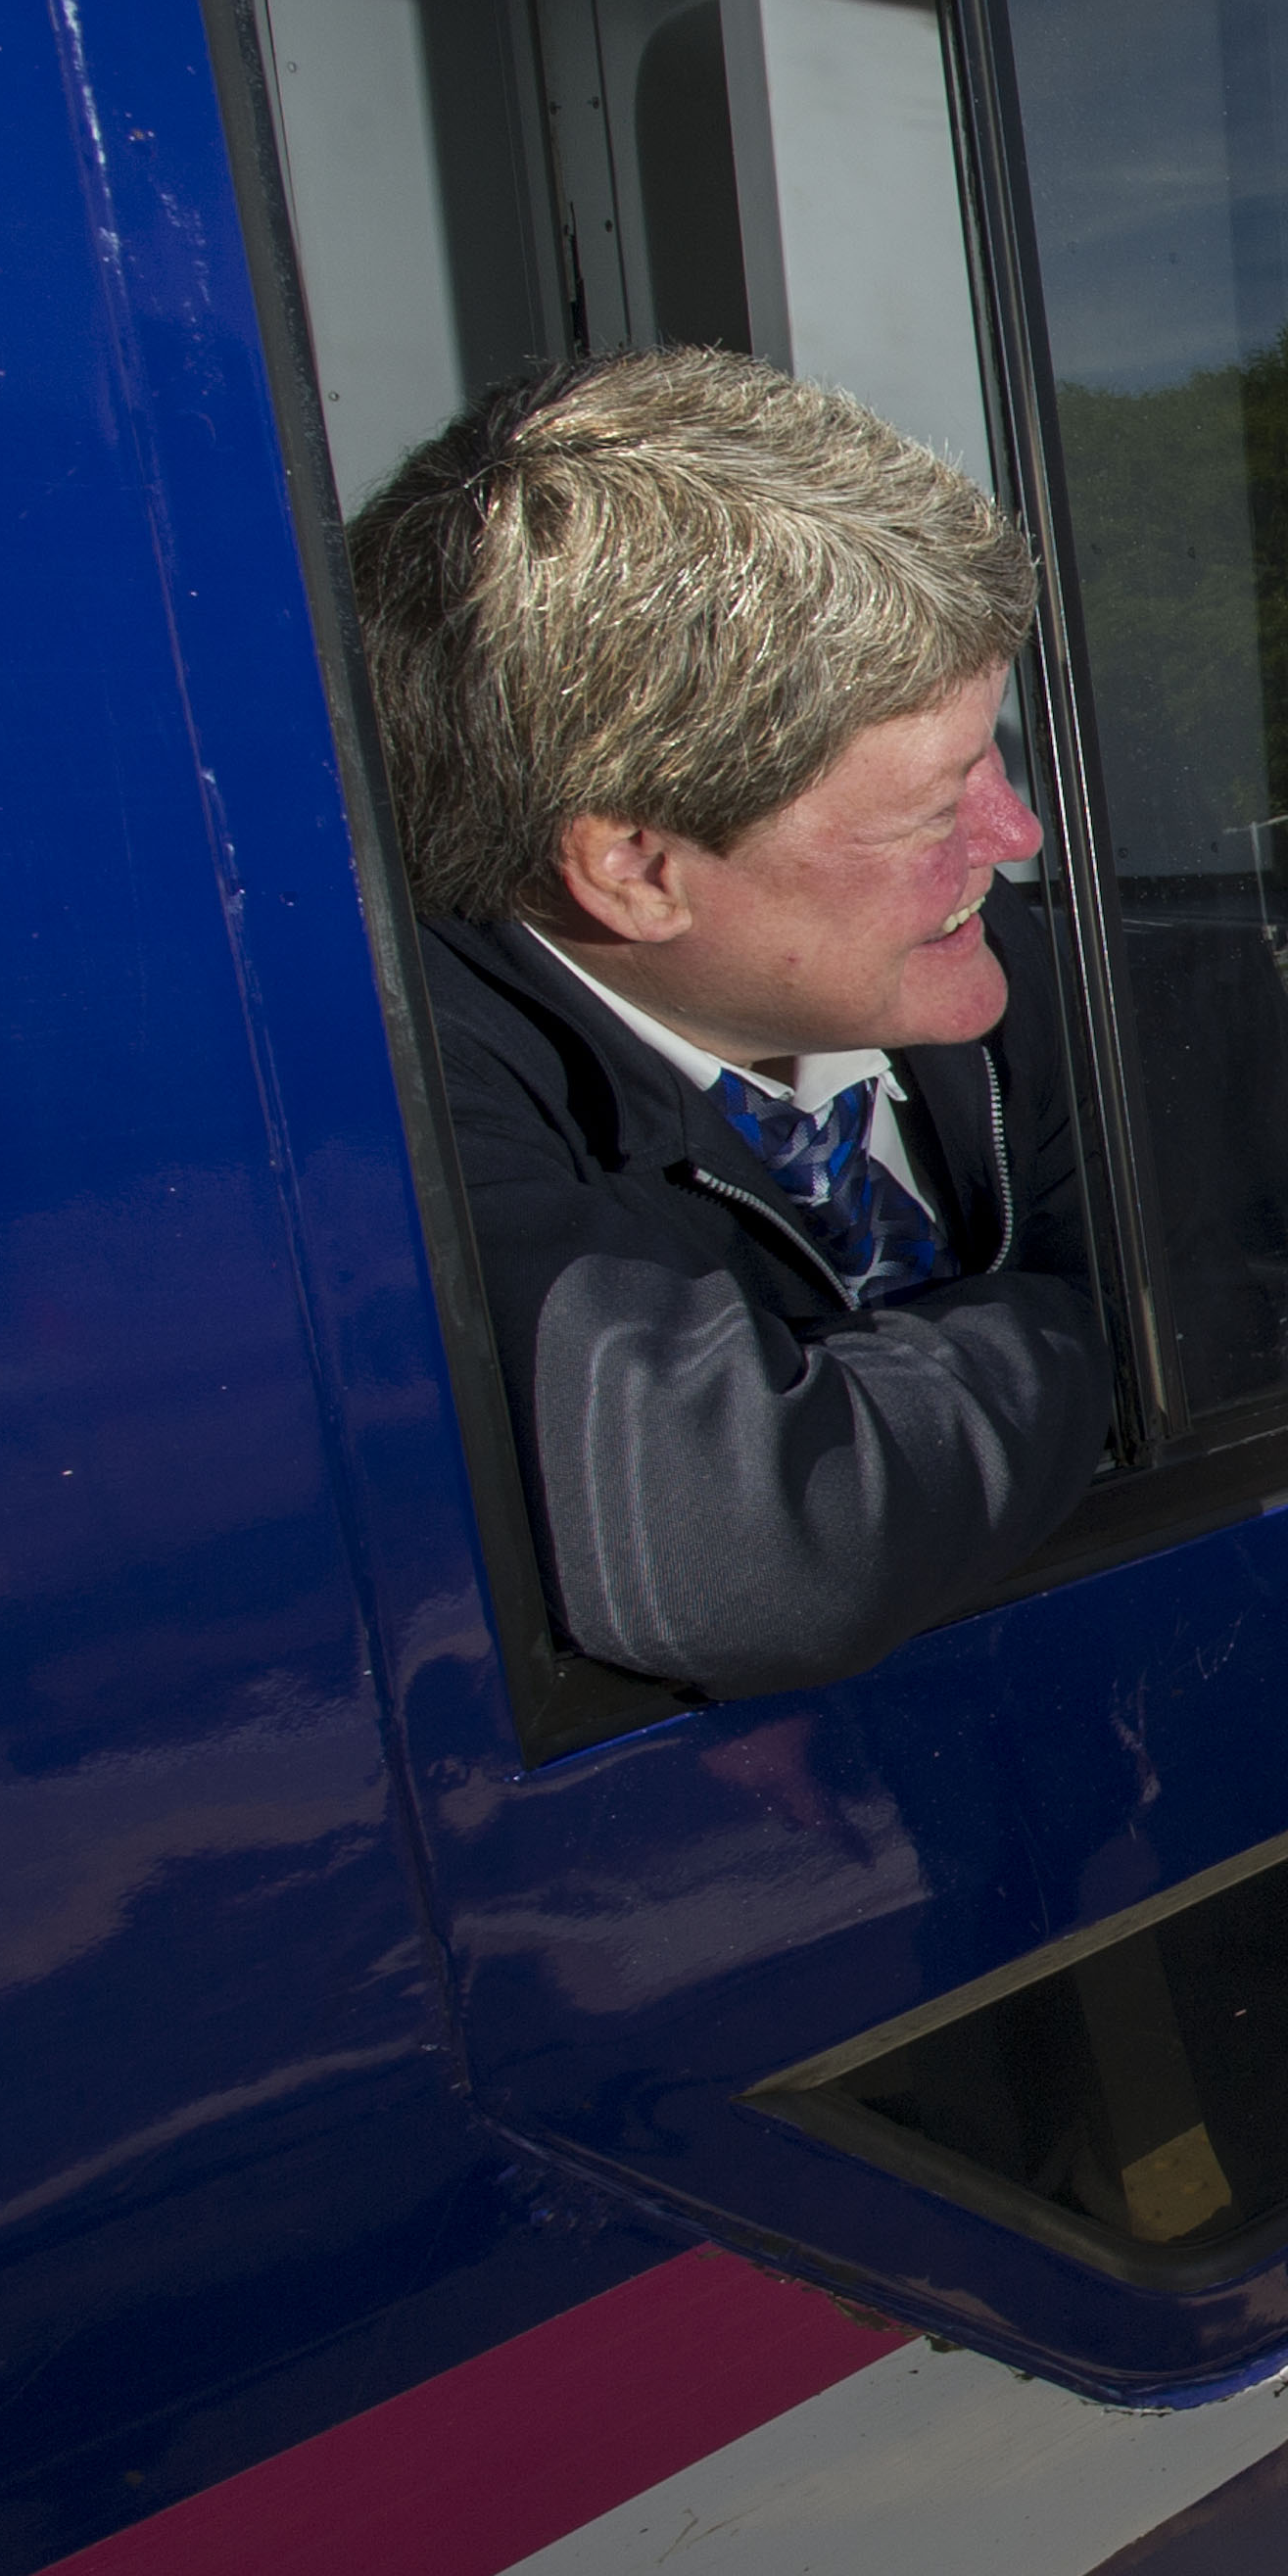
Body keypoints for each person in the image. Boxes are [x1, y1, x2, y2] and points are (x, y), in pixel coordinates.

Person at [357, 346, 1107, 1698]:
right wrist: (1109, 1331)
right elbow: (749, 1555)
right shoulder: (388, 1113)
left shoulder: (1003, 971)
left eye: (995, 751)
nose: (1018, 834)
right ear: (636, 869)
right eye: (939, 805)